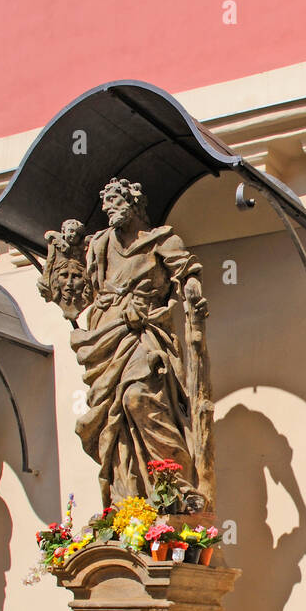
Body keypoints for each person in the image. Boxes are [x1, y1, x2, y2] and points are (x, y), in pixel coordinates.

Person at [72, 178, 207, 508]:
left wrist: (192, 294)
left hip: (144, 332)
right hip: (105, 335)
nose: (108, 210)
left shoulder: (162, 241)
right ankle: (128, 499)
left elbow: (187, 273)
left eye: (115, 202)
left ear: (135, 204)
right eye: (105, 205)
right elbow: (82, 289)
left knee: (136, 396)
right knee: (112, 420)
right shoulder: (101, 244)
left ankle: (175, 484)